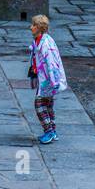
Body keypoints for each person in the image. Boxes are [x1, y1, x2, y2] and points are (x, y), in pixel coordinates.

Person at [27, 14, 68, 144]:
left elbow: (51, 63)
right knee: (48, 105)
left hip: (48, 79)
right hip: (44, 77)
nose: (31, 27)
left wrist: (54, 81)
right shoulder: (39, 40)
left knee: (39, 104)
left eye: (33, 25)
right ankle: (52, 131)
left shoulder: (46, 43)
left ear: (39, 27)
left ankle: (49, 131)